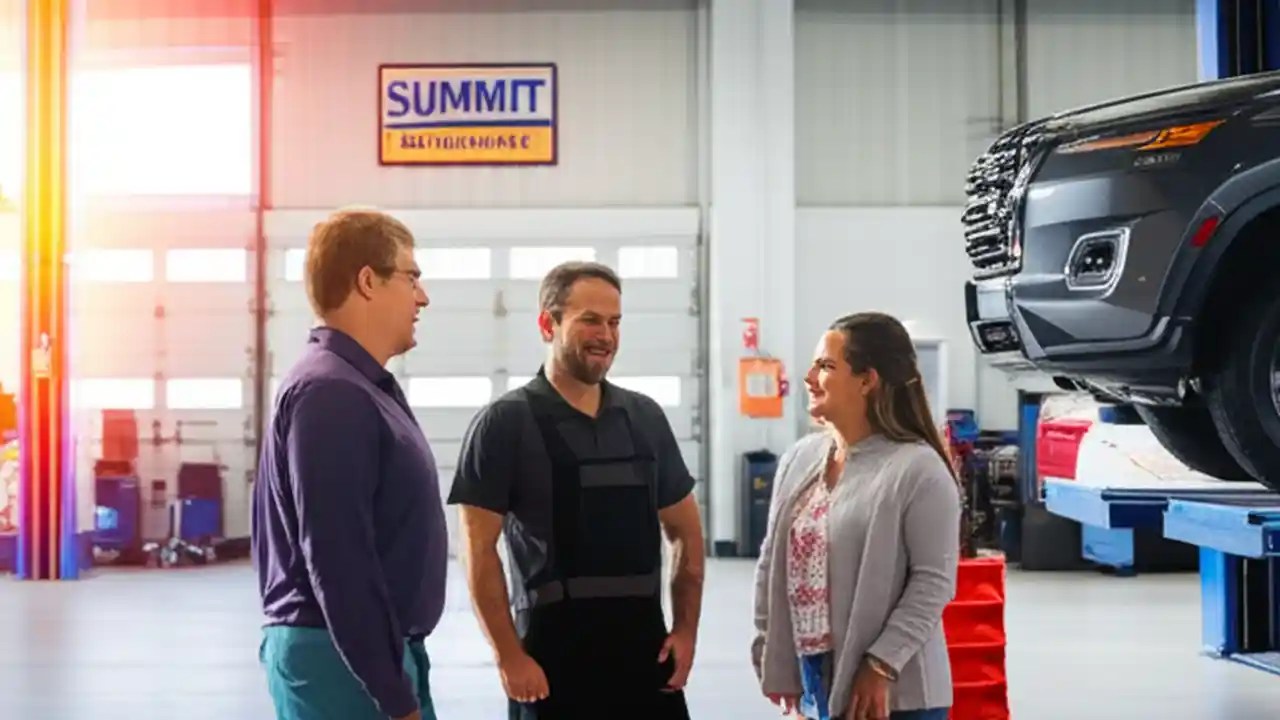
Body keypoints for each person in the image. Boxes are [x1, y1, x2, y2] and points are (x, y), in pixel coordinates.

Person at [448, 260, 706, 720]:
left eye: (614, 322)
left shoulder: (645, 418)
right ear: (548, 323)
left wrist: (686, 631)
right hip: (551, 663)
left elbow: (685, 530)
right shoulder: (504, 424)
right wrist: (509, 655)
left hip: (645, 658)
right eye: (590, 319)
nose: (605, 335)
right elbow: (477, 549)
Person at [252, 208, 447, 720]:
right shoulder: (331, 393)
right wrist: (391, 692)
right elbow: (338, 558)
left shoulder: (359, 386)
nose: (422, 297)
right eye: (411, 277)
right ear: (368, 281)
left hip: (366, 651)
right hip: (339, 658)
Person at [751, 312, 962, 720]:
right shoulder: (801, 459)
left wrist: (881, 664)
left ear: (868, 380)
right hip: (816, 683)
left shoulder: (918, 469)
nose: (810, 377)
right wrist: (770, 649)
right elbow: (770, 561)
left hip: (895, 695)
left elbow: (933, 582)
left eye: (827, 366)